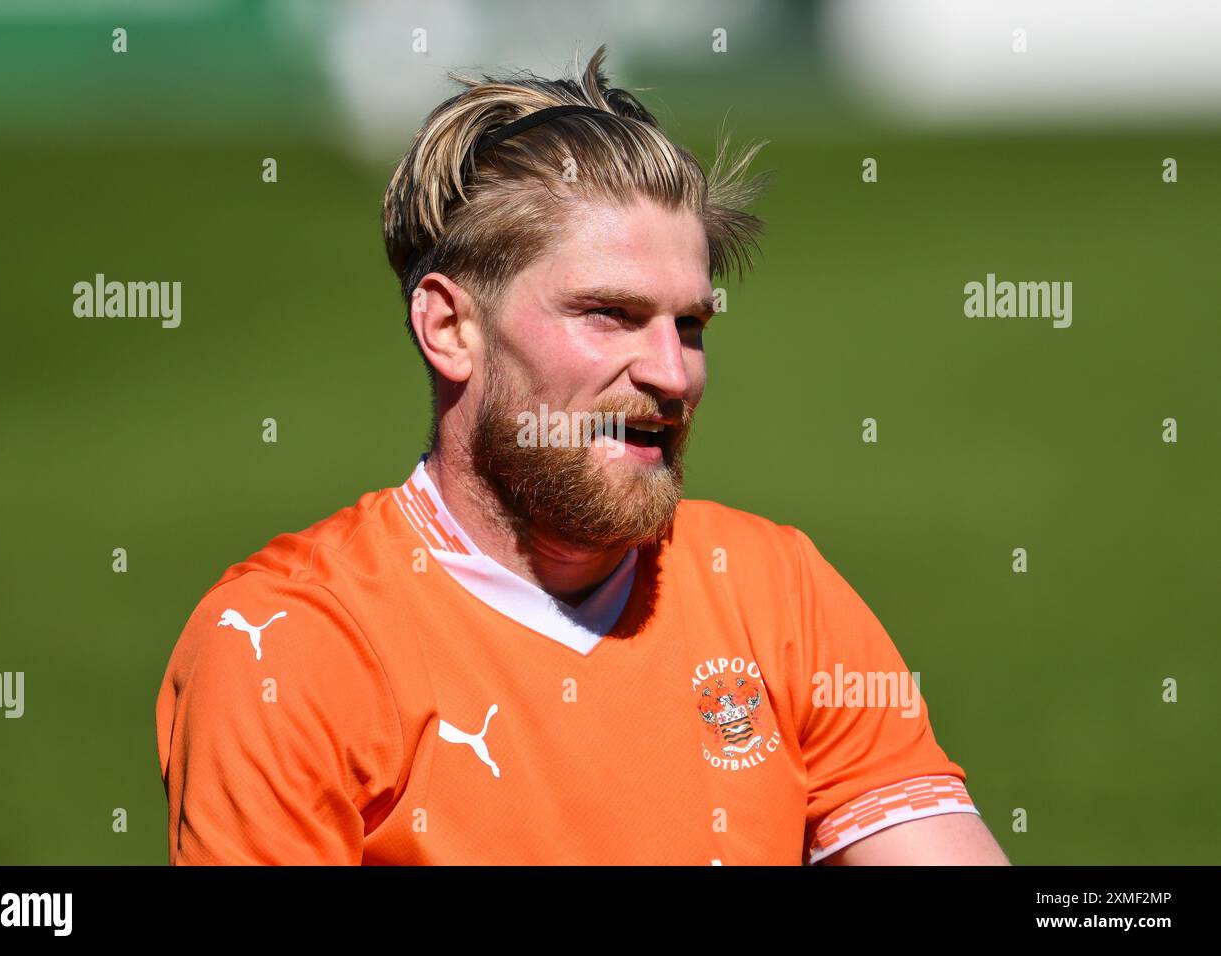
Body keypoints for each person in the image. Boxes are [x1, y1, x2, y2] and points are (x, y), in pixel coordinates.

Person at [155, 44, 1009, 865]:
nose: (673, 375)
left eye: (691, 325)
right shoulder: (285, 645)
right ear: (451, 328)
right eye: (608, 314)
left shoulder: (777, 593)